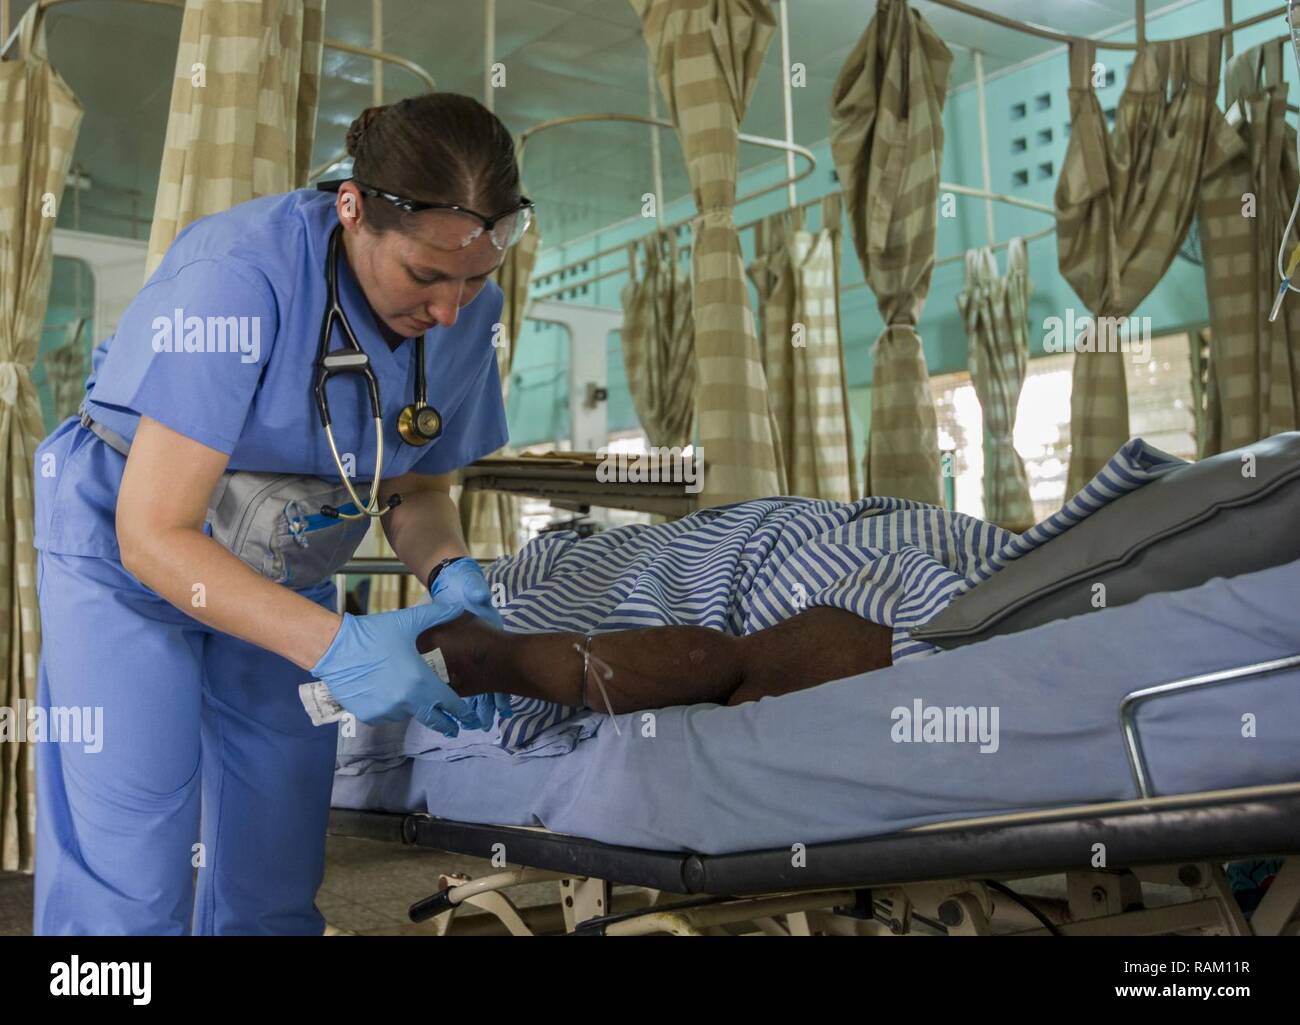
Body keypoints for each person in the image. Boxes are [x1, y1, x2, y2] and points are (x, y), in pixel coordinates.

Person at [31, 93, 529, 935]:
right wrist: (337, 646)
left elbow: (416, 489)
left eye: (477, 278)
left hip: (283, 556)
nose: (449, 309)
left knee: (272, 849)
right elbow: (155, 532)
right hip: (130, 544)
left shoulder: (466, 313)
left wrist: (451, 574)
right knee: (136, 851)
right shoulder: (238, 276)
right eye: (425, 275)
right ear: (352, 211)